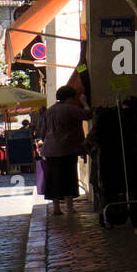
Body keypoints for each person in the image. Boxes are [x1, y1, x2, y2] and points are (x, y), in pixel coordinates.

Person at [37, 85, 93, 215]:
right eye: (74, 97)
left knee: (53, 179)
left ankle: (56, 208)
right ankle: (69, 207)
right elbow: (88, 115)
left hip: (50, 149)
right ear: (69, 98)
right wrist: (84, 102)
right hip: (67, 148)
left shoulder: (49, 111)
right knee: (69, 176)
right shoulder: (71, 109)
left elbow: (43, 132)